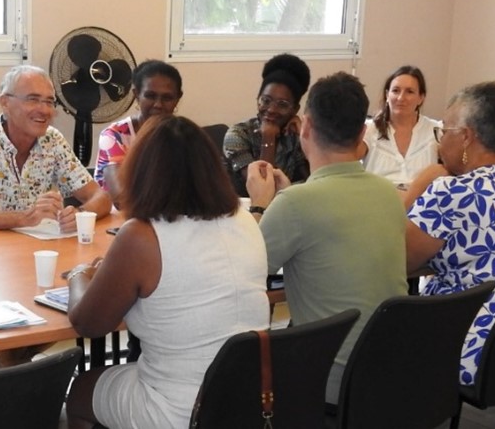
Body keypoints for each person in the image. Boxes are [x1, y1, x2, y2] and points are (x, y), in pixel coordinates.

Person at [64, 115, 268, 429]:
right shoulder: (244, 218)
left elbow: (87, 323)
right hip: (247, 402)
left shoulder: (142, 235)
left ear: (142, 171)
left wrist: (80, 275)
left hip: (180, 412)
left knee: (81, 390)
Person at [246, 71, 407, 403]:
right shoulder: (388, 193)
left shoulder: (295, 205)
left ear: (305, 126)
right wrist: (293, 196)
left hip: (329, 380)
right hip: (390, 374)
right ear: (363, 133)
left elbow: (243, 270)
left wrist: (261, 204)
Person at [0, 64, 110, 367]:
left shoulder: (53, 141)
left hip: (40, 257)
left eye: (50, 102)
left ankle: (9, 371)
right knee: (33, 325)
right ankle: (12, 370)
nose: (44, 110)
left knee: (70, 304)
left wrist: (81, 213)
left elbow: (101, 197)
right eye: (33, 99)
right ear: (5, 102)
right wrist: (22, 217)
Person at [405, 82, 495, 390]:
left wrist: (421, 183)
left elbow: (398, 259)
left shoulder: (450, 190)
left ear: (467, 137)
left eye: (443, 132)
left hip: (471, 336)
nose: (440, 143)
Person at [95, 60, 183, 206]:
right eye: (150, 96)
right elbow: (121, 197)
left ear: (178, 98)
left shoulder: (183, 135)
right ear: (136, 94)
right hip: (121, 221)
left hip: (170, 218)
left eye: (167, 98)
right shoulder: (115, 135)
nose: (158, 105)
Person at [224, 53, 312, 196]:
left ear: (294, 110)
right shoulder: (238, 135)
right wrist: (268, 139)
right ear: (257, 99)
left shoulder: (292, 134)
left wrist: (304, 134)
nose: (271, 109)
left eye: (282, 105)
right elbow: (262, 190)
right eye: (266, 100)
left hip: (285, 209)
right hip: (247, 211)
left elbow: (316, 181)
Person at [359, 65, 442, 188]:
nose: (401, 98)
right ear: (387, 95)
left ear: (421, 98)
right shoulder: (369, 130)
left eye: (409, 92)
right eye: (396, 90)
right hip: (378, 200)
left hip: (423, 204)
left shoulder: (436, 130)